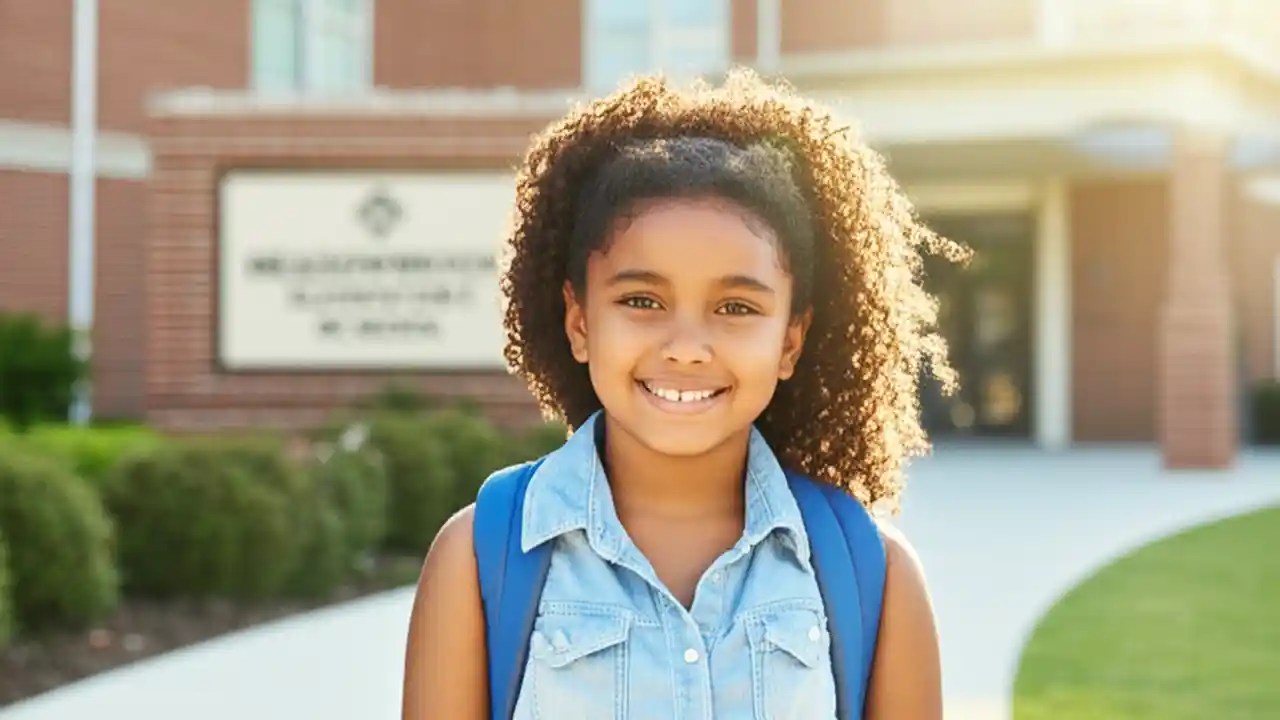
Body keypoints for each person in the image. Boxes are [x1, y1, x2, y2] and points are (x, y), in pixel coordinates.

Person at [402, 69, 964, 719]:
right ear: (579, 321)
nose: (687, 346)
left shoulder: (873, 574)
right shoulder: (481, 558)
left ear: (790, 340)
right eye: (642, 300)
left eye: (735, 306)